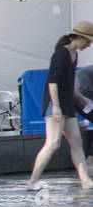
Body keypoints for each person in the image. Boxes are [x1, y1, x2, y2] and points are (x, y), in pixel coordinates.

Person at [27, 21, 93, 190]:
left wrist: (80, 99)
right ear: (79, 37)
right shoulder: (61, 54)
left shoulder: (73, 54)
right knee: (53, 143)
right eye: (88, 41)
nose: (89, 44)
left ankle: (85, 180)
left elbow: (69, 83)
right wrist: (56, 106)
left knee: (76, 141)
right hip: (55, 104)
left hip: (67, 103)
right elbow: (53, 81)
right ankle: (33, 181)